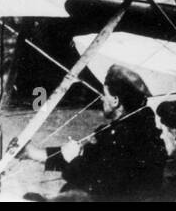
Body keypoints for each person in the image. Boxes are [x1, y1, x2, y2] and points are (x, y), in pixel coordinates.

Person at [22, 63, 166, 200]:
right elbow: (92, 161)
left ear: (115, 101)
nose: (102, 98)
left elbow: (98, 184)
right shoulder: (136, 127)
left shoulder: (125, 137)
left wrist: (73, 159)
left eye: (104, 94)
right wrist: (34, 153)